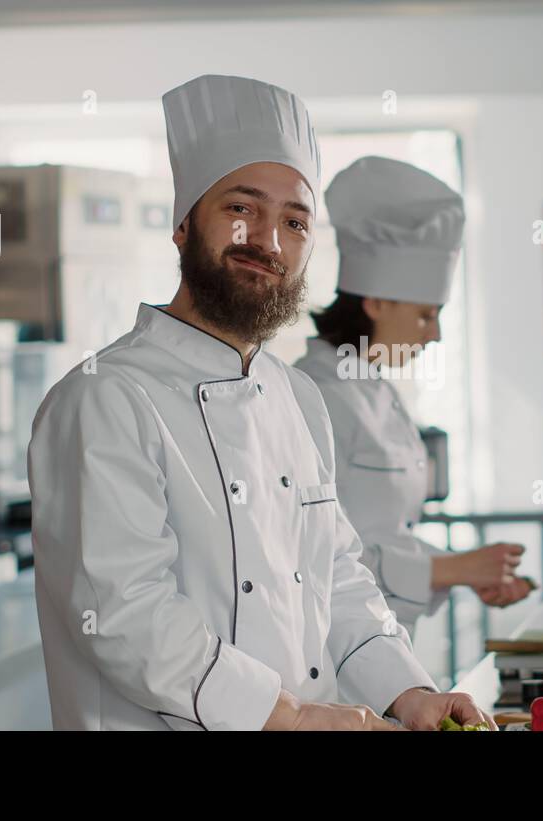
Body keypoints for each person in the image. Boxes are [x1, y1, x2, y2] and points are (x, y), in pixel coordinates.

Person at [28, 76, 492, 731]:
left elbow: (339, 576)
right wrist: (290, 715)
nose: (269, 241)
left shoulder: (297, 397)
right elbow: (127, 614)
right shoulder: (104, 397)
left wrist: (411, 692)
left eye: (295, 221)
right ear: (183, 222)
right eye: (241, 208)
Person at [294, 156, 533, 636]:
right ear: (375, 301)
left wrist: (468, 571)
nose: (436, 334)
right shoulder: (313, 394)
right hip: (330, 648)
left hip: (380, 639)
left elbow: (381, 536)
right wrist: (455, 569)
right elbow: (309, 552)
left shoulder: (374, 388)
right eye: (426, 315)